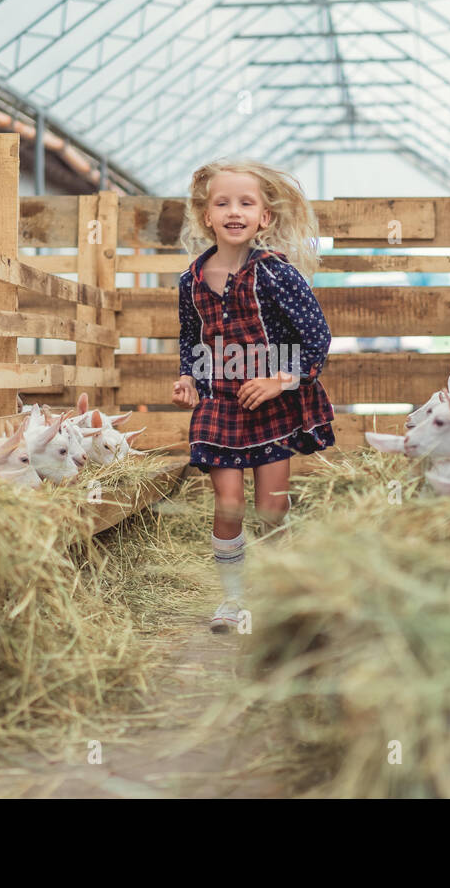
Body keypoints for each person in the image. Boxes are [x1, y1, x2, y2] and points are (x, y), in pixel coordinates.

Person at [171, 159, 335, 633]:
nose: (234, 211)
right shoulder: (191, 281)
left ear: (264, 217)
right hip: (220, 404)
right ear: (207, 216)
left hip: (273, 404)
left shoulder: (276, 275)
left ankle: (274, 594)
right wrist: (189, 378)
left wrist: (279, 380)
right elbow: (190, 338)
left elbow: (317, 338)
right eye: (222, 203)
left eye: (247, 203)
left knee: (271, 510)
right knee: (228, 505)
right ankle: (233, 599)